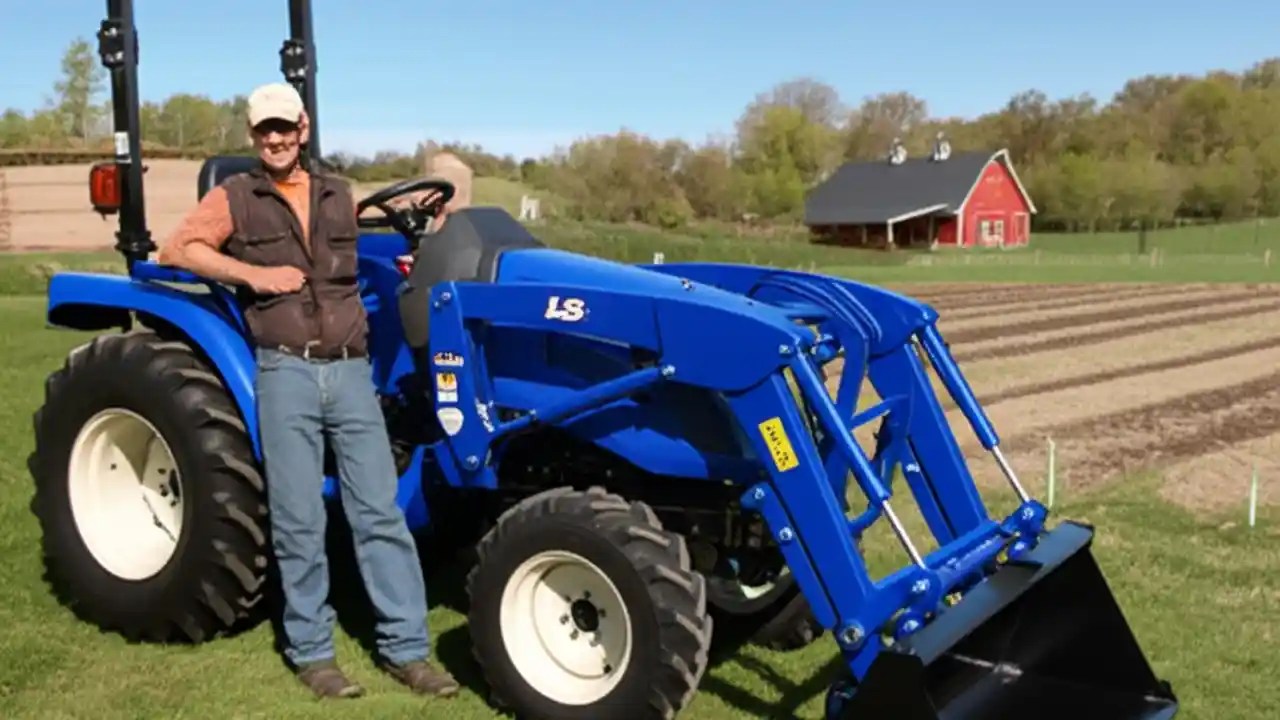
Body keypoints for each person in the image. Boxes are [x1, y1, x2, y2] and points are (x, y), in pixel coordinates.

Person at [156, 82, 459, 701]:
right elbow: (177, 247)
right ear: (252, 135)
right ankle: (314, 653)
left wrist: (433, 221)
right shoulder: (235, 196)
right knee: (298, 518)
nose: (275, 139)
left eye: (284, 128)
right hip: (285, 370)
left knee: (378, 512)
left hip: (349, 372)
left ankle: (407, 651)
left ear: (303, 126)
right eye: (263, 130)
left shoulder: (337, 194)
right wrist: (252, 274)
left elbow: (367, 241)